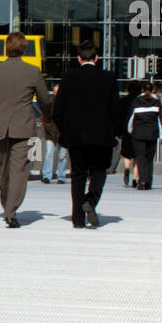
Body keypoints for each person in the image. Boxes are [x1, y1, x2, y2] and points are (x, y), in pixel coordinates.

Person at [0, 32, 51, 228]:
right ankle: (11, 210)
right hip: (23, 127)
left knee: (3, 168)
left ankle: (6, 204)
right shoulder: (33, 72)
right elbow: (45, 100)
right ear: (24, 48)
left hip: (0, 126)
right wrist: (48, 117)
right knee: (19, 170)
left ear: (6, 48)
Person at [52, 40, 121, 228]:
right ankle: (90, 200)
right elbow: (115, 110)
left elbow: (57, 111)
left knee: (78, 175)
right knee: (99, 171)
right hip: (102, 136)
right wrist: (115, 132)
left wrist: (66, 131)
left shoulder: (68, 78)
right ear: (97, 58)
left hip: (76, 137)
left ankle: (77, 219)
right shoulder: (109, 78)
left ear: (79, 58)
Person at [127, 82, 162, 190]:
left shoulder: (136, 101)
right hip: (152, 134)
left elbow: (131, 119)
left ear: (142, 90)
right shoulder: (156, 102)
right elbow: (160, 120)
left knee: (140, 158)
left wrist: (131, 131)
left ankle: (142, 180)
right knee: (149, 158)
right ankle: (148, 181)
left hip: (138, 134)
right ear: (152, 90)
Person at [39, 85, 68, 184]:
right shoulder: (50, 103)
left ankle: (61, 176)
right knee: (48, 154)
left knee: (62, 155)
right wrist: (47, 126)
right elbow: (44, 117)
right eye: (56, 92)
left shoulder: (67, 104)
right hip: (51, 133)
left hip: (63, 133)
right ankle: (47, 175)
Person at [117, 81, 142, 187]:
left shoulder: (122, 101)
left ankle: (127, 168)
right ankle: (135, 177)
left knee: (126, 153)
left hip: (125, 131)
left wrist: (118, 131)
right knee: (137, 154)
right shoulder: (140, 101)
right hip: (138, 131)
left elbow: (117, 117)